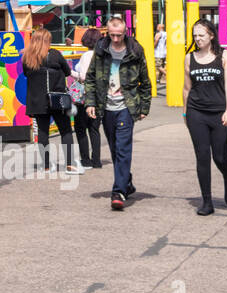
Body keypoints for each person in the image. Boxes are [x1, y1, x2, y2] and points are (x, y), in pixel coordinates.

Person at [85, 16, 152, 210]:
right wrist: (90, 102)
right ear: (107, 32)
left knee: (123, 148)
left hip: (126, 106)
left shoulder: (135, 51)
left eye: (119, 35)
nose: (115, 39)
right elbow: (90, 78)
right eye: (112, 35)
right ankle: (127, 182)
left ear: (126, 32)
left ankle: (118, 192)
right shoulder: (100, 49)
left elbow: (145, 82)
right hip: (105, 107)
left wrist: (144, 108)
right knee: (115, 149)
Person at [182, 19, 227, 216]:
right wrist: (185, 113)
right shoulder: (190, 58)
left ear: (211, 35)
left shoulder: (224, 56)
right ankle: (207, 201)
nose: (197, 39)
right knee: (202, 156)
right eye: (195, 35)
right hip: (197, 112)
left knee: (220, 157)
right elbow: (187, 88)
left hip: (219, 112)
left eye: (201, 35)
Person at [20, 27, 77, 174]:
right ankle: (70, 164)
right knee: (65, 130)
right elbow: (67, 72)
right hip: (57, 98)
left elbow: (26, 74)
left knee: (43, 132)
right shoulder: (55, 55)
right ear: (48, 41)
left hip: (37, 100)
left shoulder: (27, 57)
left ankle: (46, 165)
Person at [70, 27, 102, 168]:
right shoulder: (103, 55)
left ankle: (86, 159)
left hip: (84, 97)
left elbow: (83, 77)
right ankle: (97, 160)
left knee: (81, 128)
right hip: (99, 96)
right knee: (94, 129)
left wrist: (70, 72)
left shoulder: (86, 56)